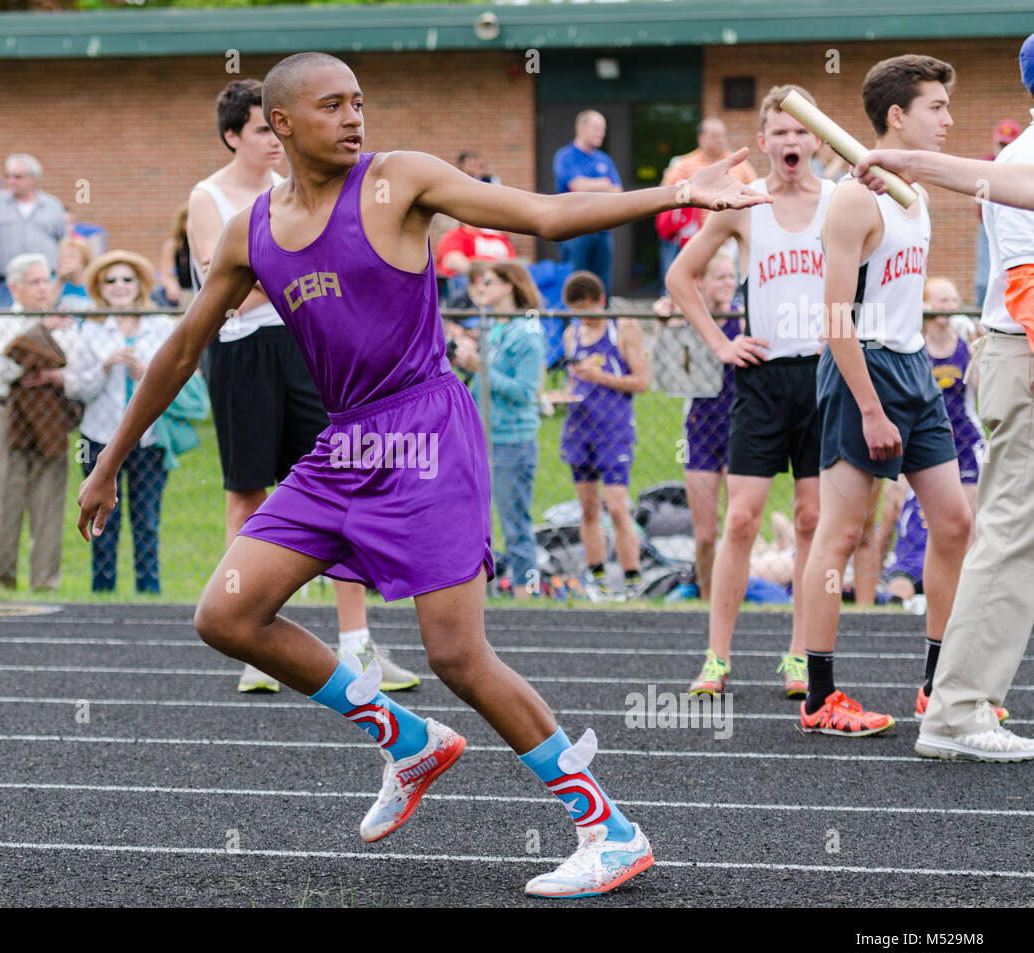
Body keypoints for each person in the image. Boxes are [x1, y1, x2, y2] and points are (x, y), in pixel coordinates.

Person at [77, 52, 764, 896]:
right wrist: (108, 461)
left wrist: (680, 194)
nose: (355, 116)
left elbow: (545, 216)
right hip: (345, 446)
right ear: (281, 123)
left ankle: (610, 829)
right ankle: (405, 737)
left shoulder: (399, 181)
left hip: (426, 432)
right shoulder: (248, 229)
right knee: (226, 613)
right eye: (332, 106)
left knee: (457, 654)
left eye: (359, 102)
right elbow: (183, 346)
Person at [187, 78, 419, 695]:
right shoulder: (210, 198)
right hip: (243, 356)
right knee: (248, 489)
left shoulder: (291, 194)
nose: (272, 140)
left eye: (275, 127)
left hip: (308, 347)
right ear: (234, 134)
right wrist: (301, 270)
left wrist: (286, 272)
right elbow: (227, 291)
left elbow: (289, 273)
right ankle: (254, 639)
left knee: (343, 491)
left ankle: (358, 645)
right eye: (261, 129)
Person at [854, 34, 1034, 761]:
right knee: (1011, 533)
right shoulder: (1021, 160)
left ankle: (961, 702)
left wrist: (914, 160)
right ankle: (957, 708)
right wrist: (910, 160)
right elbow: (1026, 280)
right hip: (1023, 354)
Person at [801, 54, 974, 737]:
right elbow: (836, 315)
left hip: (912, 370)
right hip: (859, 371)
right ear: (896, 116)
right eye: (937, 107)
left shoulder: (916, 193)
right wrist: (870, 406)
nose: (948, 120)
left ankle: (938, 684)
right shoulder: (853, 199)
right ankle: (820, 697)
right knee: (841, 534)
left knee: (955, 522)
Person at [665, 84, 831, 703]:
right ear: (762, 143)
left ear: (816, 140)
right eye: (779, 132)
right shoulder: (743, 205)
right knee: (740, 520)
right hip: (759, 377)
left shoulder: (840, 203)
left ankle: (797, 657)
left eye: (800, 131)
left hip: (821, 376)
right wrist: (718, 343)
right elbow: (680, 275)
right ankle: (717, 657)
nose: (791, 141)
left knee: (814, 521)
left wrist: (845, 339)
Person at [72, 251, 174, 593]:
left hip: (149, 438)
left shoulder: (160, 324)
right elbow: (78, 389)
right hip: (100, 437)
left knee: (146, 520)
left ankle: (149, 591)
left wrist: (150, 373)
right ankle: (103, 591)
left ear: (140, 285)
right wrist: (105, 367)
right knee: (104, 519)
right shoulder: (91, 329)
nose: (119, 286)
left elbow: (181, 376)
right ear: (100, 287)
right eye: (110, 280)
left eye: (126, 279)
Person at [0, 253, 80, 591]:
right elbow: (3, 367)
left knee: (49, 501)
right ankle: (1, 582)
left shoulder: (66, 323)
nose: (43, 289)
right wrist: (40, 334)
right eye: (35, 282)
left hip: (50, 412)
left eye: (47, 281)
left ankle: (45, 583)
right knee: (3, 498)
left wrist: (50, 371)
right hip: (4, 413)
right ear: (14, 287)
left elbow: (76, 371)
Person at [451, 262, 547, 600]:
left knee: (515, 525)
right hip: (484, 437)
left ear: (509, 286)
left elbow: (524, 391)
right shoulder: (494, 328)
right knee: (478, 523)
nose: (480, 287)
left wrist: (481, 367)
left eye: (488, 281)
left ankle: (528, 593)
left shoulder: (527, 333)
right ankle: (488, 594)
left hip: (512, 440)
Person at [556, 269, 648, 601]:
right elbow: (573, 381)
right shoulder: (571, 334)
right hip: (580, 428)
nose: (585, 322)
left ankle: (633, 579)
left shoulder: (622, 328)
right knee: (588, 508)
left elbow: (641, 382)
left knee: (619, 508)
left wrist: (601, 377)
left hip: (614, 429)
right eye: (577, 315)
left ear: (601, 303)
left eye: (589, 314)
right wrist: (564, 394)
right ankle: (598, 579)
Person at [662, 251, 740, 604]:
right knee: (707, 531)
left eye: (731, 276)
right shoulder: (690, 320)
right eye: (720, 277)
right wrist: (668, 324)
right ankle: (707, 596)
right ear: (702, 283)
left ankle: (733, 595)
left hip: (741, 425)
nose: (728, 283)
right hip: (701, 427)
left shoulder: (746, 319)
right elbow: (667, 375)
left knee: (740, 525)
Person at [657, 119, 759, 287]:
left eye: (722, 136)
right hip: (692, 238)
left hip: (729, 239)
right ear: (701, 138)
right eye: (714, 136)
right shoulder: (683, 165)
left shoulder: (741, 165)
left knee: (727, 283)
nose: (720, 140)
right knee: (688, 281)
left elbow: (755, 194)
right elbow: (665, 196)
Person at [922, 276, 984, 526]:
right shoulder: (916, 349)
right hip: (927, 438)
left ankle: (967, 566)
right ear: (925, 305)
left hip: (966, 438)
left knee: (968, 519)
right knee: (923, 514)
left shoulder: (966, 348)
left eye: (954, 301)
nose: (950, 306)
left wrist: (979, 356)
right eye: (942, 301)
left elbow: (983, 397)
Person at [0, 154, 66, 307]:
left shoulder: (52, 205)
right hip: (10, 283)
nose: (11, 181)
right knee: (7, 325)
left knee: (49, 324)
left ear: (33, 179)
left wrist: (65, 266)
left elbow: (65, 241)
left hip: (47, 283)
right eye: (8, 176)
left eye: (17, 177)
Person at [552, 111, 622, 292]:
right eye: (596, 128)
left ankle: (602, 319)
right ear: (580, 128)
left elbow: (618, 191)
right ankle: (572, 320)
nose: (601, 133)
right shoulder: (565, 156)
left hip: (603, 230)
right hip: (575, 230)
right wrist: (605, 183)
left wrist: (594, 185)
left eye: (603, 129)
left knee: (602, 285)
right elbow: (577, 185)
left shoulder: (604, 159)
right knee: (575, 283)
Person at [973, 119, 1023, 305]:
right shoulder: (987, 163)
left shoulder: (1021, 165)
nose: (1003, 149)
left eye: (1008, 145)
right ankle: (980, 316)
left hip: (1015, 227)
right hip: (988, 228)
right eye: (1001, 144)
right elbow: (981, 196)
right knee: (983, 282)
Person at [53, 237, 94, 312]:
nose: (65, 260)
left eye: (71, 256)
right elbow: (47, 306)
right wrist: (60, 281)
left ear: (84, 260)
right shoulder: (54, 281)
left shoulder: (94, 285)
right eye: (62, 257)